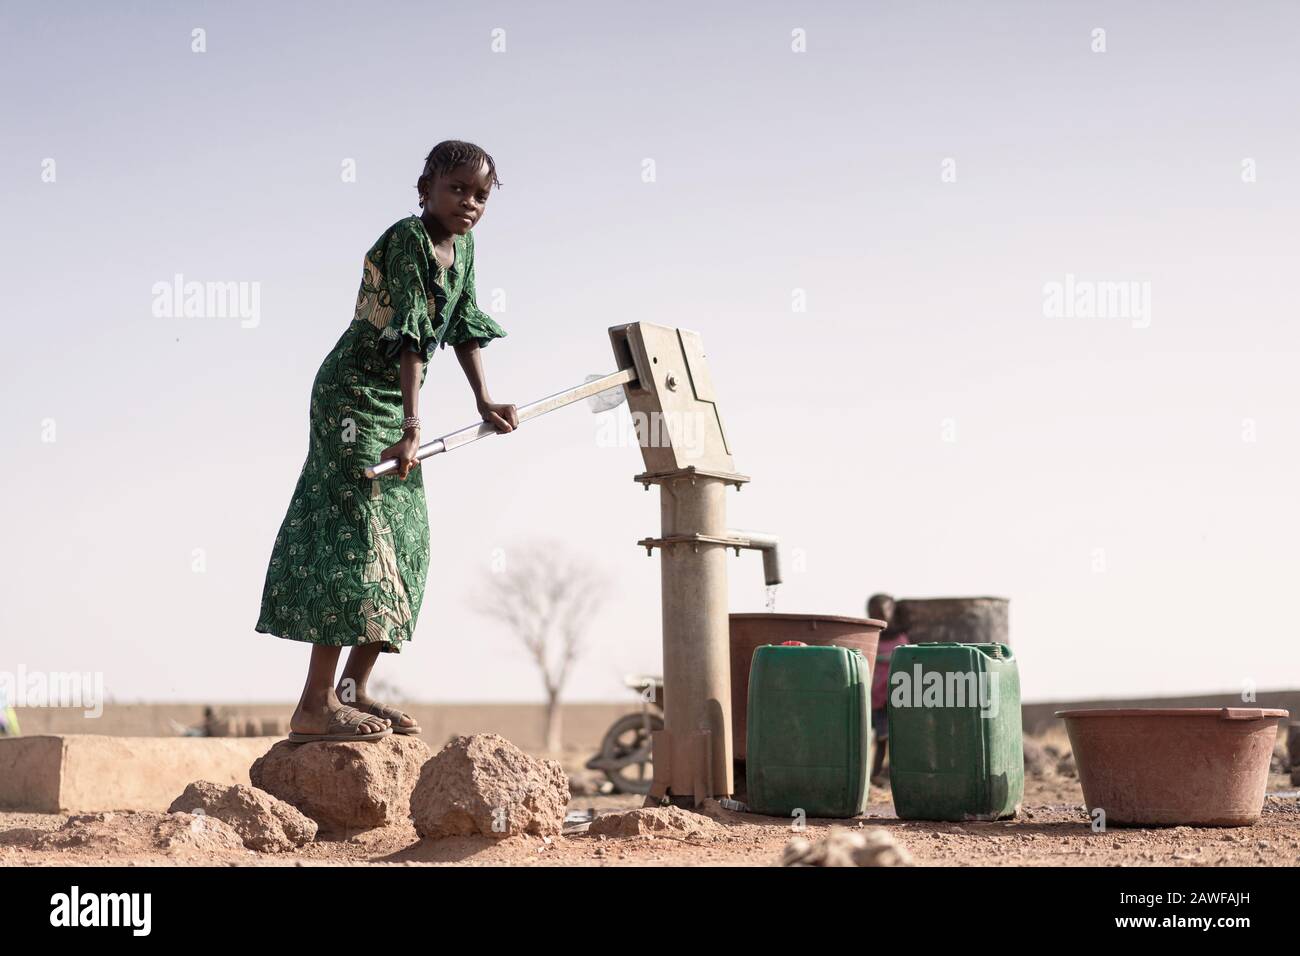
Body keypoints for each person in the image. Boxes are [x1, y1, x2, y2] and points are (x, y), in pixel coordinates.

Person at [254, 141, 517, 742]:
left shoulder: (465, 249)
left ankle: (354, 691)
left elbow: (462, 326)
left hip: (398, 406)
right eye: (457, 189)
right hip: (350, 397)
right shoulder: (407, 238)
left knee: (405, 541)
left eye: (481, 195)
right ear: (425, 187)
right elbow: (411, 337)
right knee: (357, 540)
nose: (469, 203)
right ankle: (314, 706)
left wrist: (484, 400)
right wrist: (412, 430)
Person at [868, 593, 909, 782]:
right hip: (875, 697)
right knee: (880, 738)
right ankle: (876, 774)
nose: (879, 617)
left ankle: (885, 773)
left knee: (888, 737)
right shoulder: (872, 637)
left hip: (893, 696)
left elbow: (904, 658)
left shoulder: (899, 638)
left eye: (882, 613)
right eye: (874, 613)